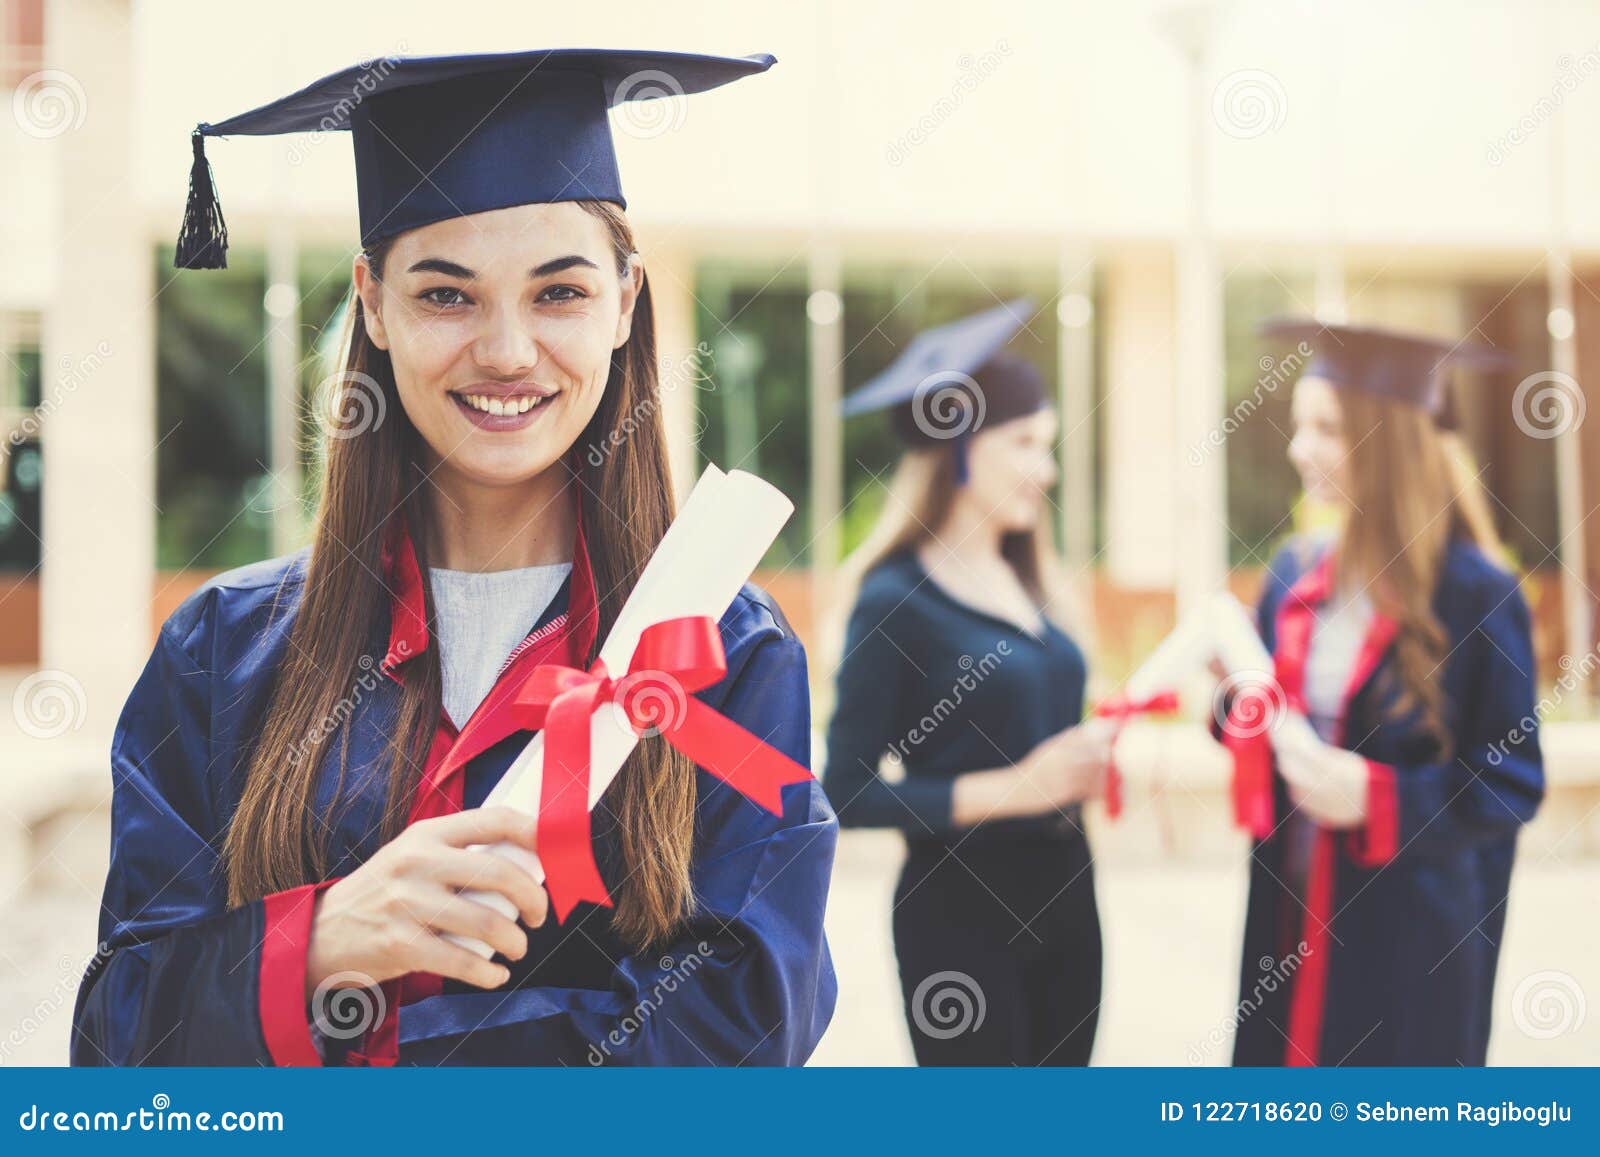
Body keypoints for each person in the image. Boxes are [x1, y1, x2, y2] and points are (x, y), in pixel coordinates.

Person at [71, 49, 837, 1067]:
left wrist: (374, 1043)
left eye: (558, 292)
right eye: (447, 296)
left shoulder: (716, 650)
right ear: (373, 304)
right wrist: (321, 941)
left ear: (623, 299)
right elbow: (118, 1032)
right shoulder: (223, 652)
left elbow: (745, 1026)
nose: (509, 351)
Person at [1222, 318, 1544, 1066]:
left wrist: (1378, 796)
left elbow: (1511, 782)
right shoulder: (1294, 574)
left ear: (1390, 439)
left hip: (1413, 936)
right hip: (1289, 913)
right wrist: (1236, 701)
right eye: (1299, 425)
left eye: (1328, 428)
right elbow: (1276, 729)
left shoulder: (1478, 594)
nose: (1300, 448)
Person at [821, 300, 1114, 1065]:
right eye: (1025, 443)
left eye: (1047, 446)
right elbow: (845, 792)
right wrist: (1022, 786)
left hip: (1069, 899)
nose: (1045, 470)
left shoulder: (1035, 584)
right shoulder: (894, 601)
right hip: (960, 920)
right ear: (959, 446)